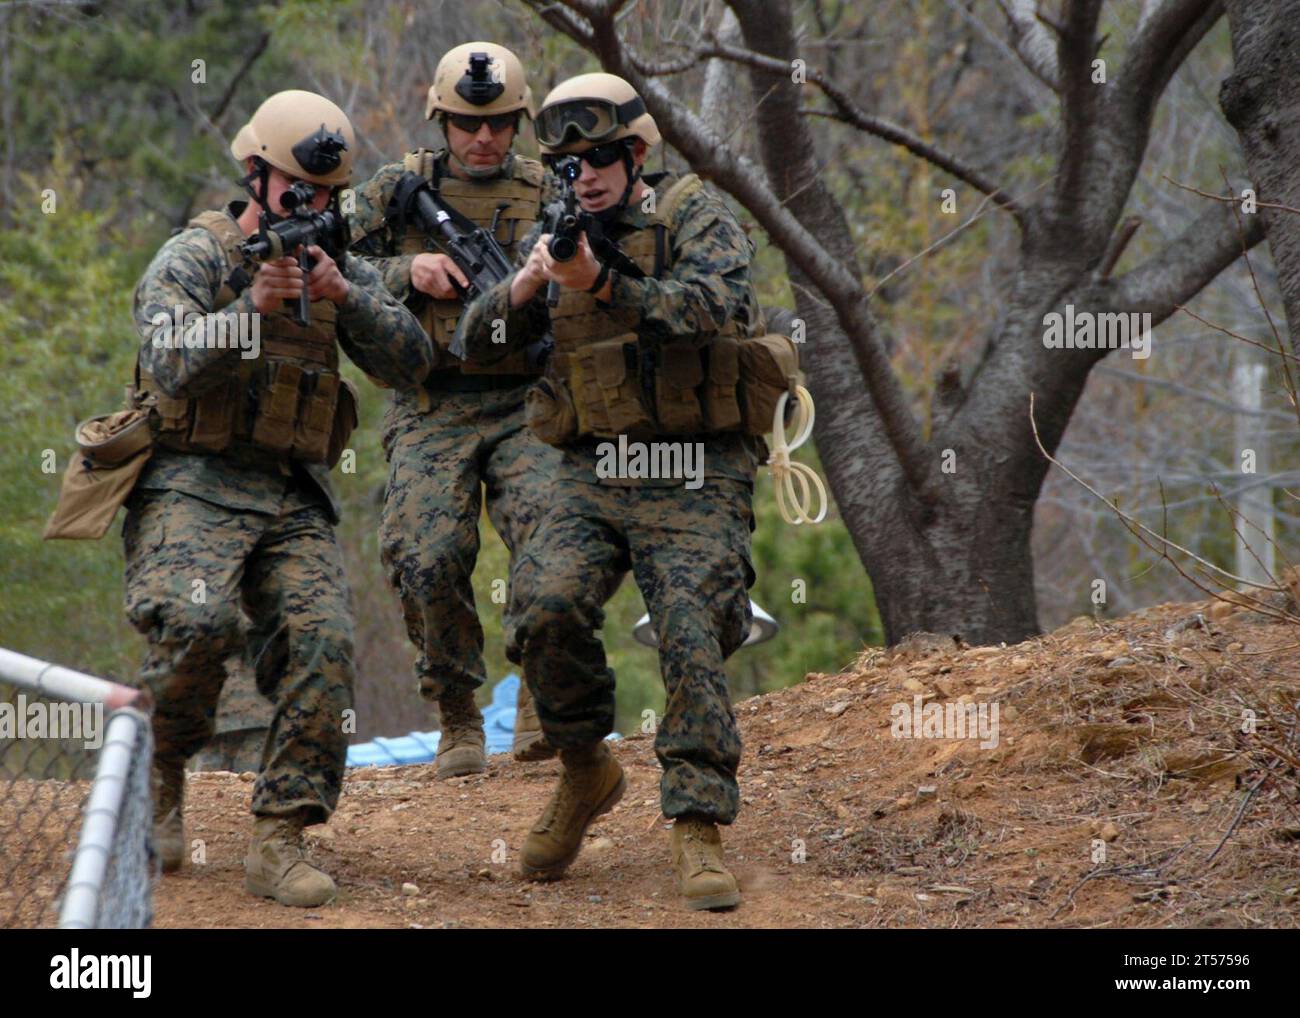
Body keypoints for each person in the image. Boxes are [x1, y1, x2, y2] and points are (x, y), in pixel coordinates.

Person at [456, 72, 779, 911]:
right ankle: (584, 768)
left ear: (636, 156)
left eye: (601, 158)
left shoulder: (693, 214)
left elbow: (716, 308)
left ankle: (697, 823)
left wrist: (606, 284)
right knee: (542, 604)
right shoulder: (553, 236)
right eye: (568, 164)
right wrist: (527, 286)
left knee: (689, 624)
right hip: (593, 468)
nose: (585, 176)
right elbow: (474, 345)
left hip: (696, 468)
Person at [125, 89, 433, 906]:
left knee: (322, 642)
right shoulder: (200, 256)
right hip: (192, 479)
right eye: (299, 190)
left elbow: (413, 363)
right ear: (256, 174)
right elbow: (165, 363)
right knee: (196, 625)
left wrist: (346, 295)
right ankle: (158, 769)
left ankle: (279, 835)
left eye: (327, 195)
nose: (315, 207)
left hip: (291, 490)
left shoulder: (335, 263)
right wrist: (244, 312)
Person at [349, 43, 560, 775]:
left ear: (520, 123)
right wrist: (409, 271)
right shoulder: (396, 190)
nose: (484, 140)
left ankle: (539, 691)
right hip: (430, 397)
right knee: (428, 555)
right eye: (469, 125)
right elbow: (322, 262)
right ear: (441, 120)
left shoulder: (549, 192)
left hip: (524, 398)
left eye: (500, 124)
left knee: (553, 538)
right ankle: (458, 715)